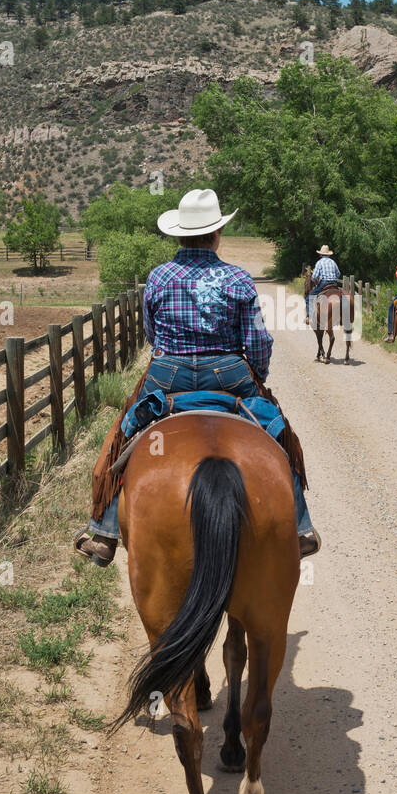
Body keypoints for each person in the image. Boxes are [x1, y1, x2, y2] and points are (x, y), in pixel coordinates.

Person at [77, 189, 320, 565]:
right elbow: (257, 340)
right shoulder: (238, 278)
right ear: (216, 233)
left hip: (168, 373)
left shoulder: (158, 277)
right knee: (276, 431)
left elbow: (153, 336)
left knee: (125, 432)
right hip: (228, 374)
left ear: (179, 234)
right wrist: (257, 375)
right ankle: (301, 528)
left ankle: (105, 531)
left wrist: (173, 357)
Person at [307, 244, 342, 325]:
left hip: (324, 283)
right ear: (328, 254)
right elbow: (338, 273)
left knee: (310, 297)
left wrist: (314, 279)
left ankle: (311, 317)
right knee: (342, 296)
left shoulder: (319, 262)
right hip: (334, 284)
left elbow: (314, 276)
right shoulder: (333, 262)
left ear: (321, 254)